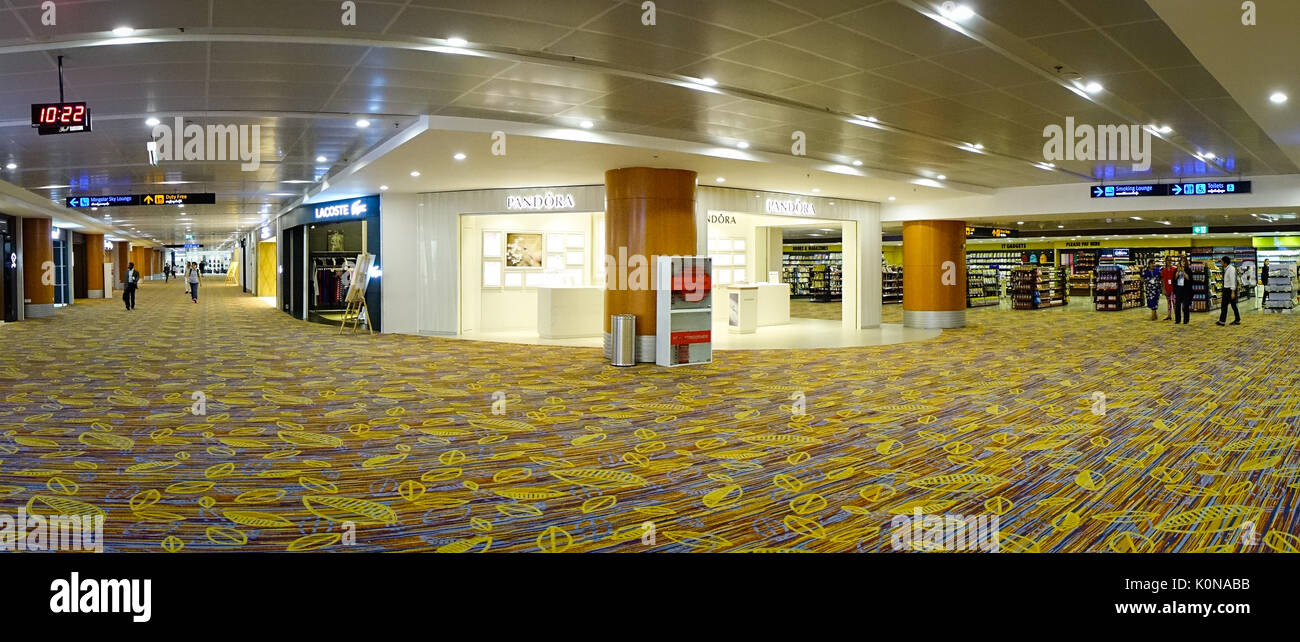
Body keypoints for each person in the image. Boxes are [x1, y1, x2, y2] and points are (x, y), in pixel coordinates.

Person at [1217, 255, 1240, 326]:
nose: (1221, 263)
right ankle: (1222, 321)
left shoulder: (1231, 269)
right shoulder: (1226, 268)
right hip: (1226, 289)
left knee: (1232, 305)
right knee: (1224, 305)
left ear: (1225, 262)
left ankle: (1237, 320)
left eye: (1222, 262)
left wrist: (1233, 292)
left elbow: (1233, 280)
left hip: (1230, 290)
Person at [1173, 258, 1193, 324]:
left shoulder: (1188, 270)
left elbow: (1188, 278)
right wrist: (1178, 272)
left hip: (1186, 289)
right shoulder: (1176, 269)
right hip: (1178, 288)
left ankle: (1186, 320)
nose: (1183, 263)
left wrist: (1183, 272)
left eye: (1184, 262)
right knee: (1177, 305)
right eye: (1182, 261)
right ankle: (1177, 320)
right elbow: (1175, 278)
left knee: (1186, 305)